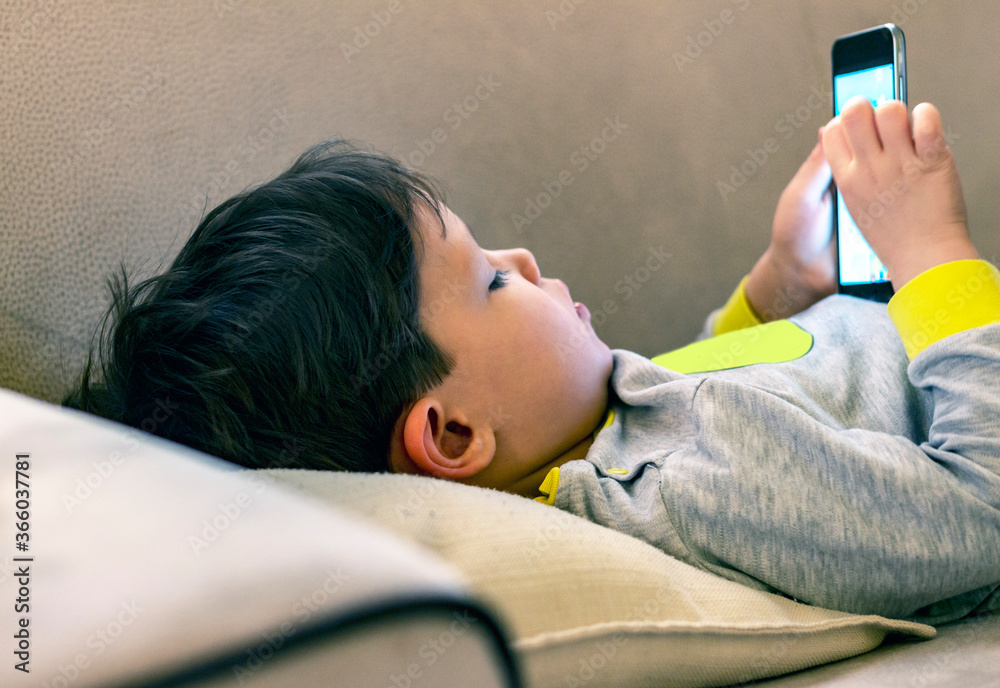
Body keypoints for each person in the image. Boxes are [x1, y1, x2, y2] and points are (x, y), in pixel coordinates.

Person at [66, 97, 1000, 624]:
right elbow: (981, 510)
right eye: (490, 285)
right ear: (454, 434)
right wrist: (933, 251)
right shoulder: (684, 481)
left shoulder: (596, 447)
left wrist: (778, 284)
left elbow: (718, 385)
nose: (520, 262)